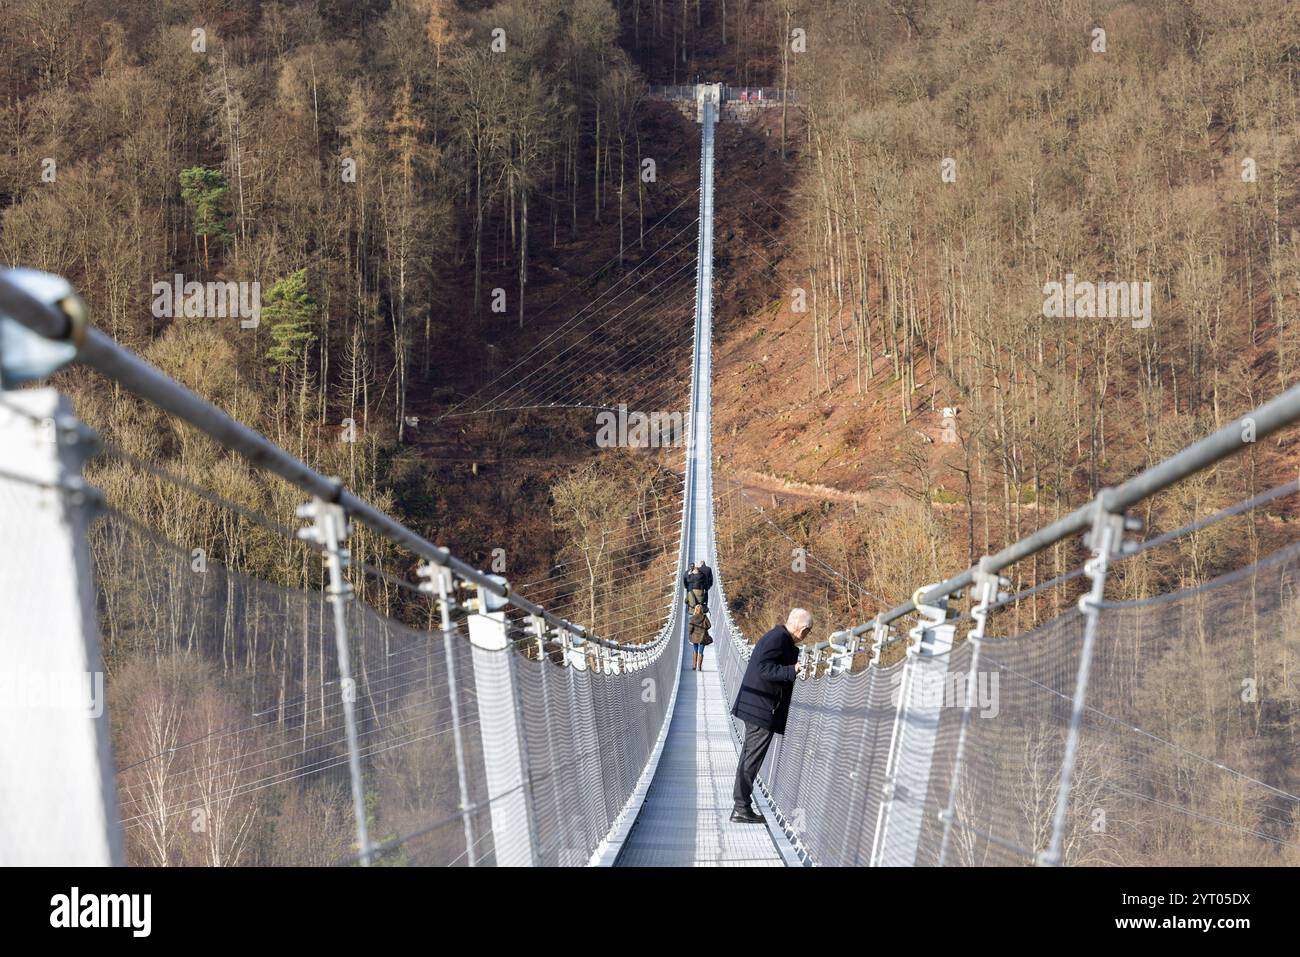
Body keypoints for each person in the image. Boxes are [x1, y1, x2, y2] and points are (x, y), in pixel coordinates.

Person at [729, 608, 810, 824]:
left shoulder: (779, 638)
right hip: (761, 709)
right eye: (807, 632)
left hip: (757, 707)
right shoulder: (778, 639)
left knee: (749, 757)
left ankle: (741, 805)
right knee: (751, 760)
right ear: (802, 629)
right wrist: (791, 670)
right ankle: (741, 807)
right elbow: (763, 669)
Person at [687, 605, 712, 671]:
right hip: (703, 636)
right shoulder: (704, 617)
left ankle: (694, 666)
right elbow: (709, 625)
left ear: (695, 610)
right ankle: (699, 667)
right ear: (701, 610)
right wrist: (704, 629)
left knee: (695, 650)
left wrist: (690, 633)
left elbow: (690, 628)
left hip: (694, 637)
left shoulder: (692, 618)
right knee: (701, 651)